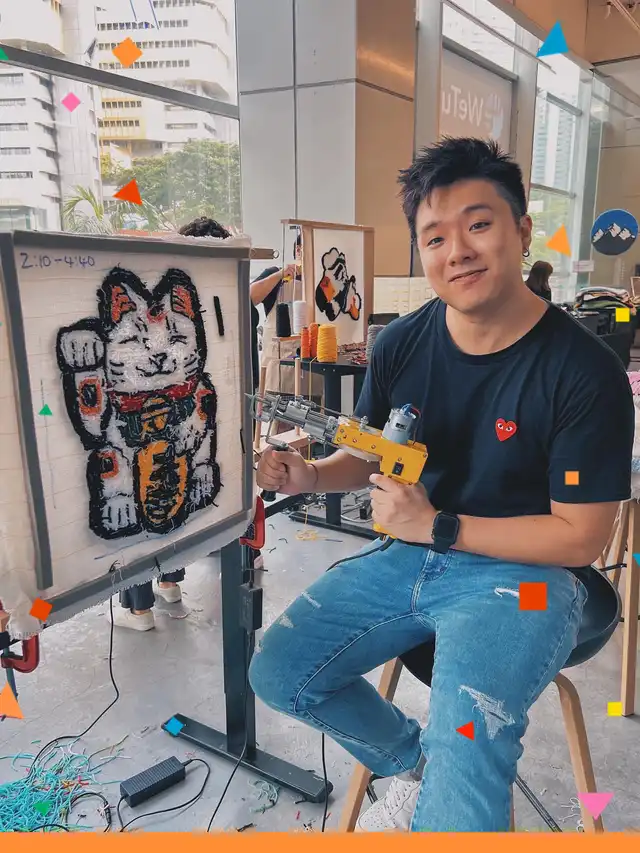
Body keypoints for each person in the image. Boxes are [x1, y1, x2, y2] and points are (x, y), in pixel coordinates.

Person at [248, 138, 634, 832]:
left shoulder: (583, 371)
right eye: (434, 236)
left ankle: (448, 784)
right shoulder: (400, 343)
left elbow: (581, 538)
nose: (457, 250)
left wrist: (438, 526)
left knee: (468, 757)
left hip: (529, 577)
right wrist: (311, 474)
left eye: (478, 224)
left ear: (522, 230)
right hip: (411, 557)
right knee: (279, 671)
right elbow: (376, 454)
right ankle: (414, 763)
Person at [113, 216, 234, 631]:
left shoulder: (169, 288)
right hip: (180, 414)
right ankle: (169, 585)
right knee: (168, 500)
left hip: (164, 415)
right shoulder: (220, 291)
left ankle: (140, 609)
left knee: (152, 503)